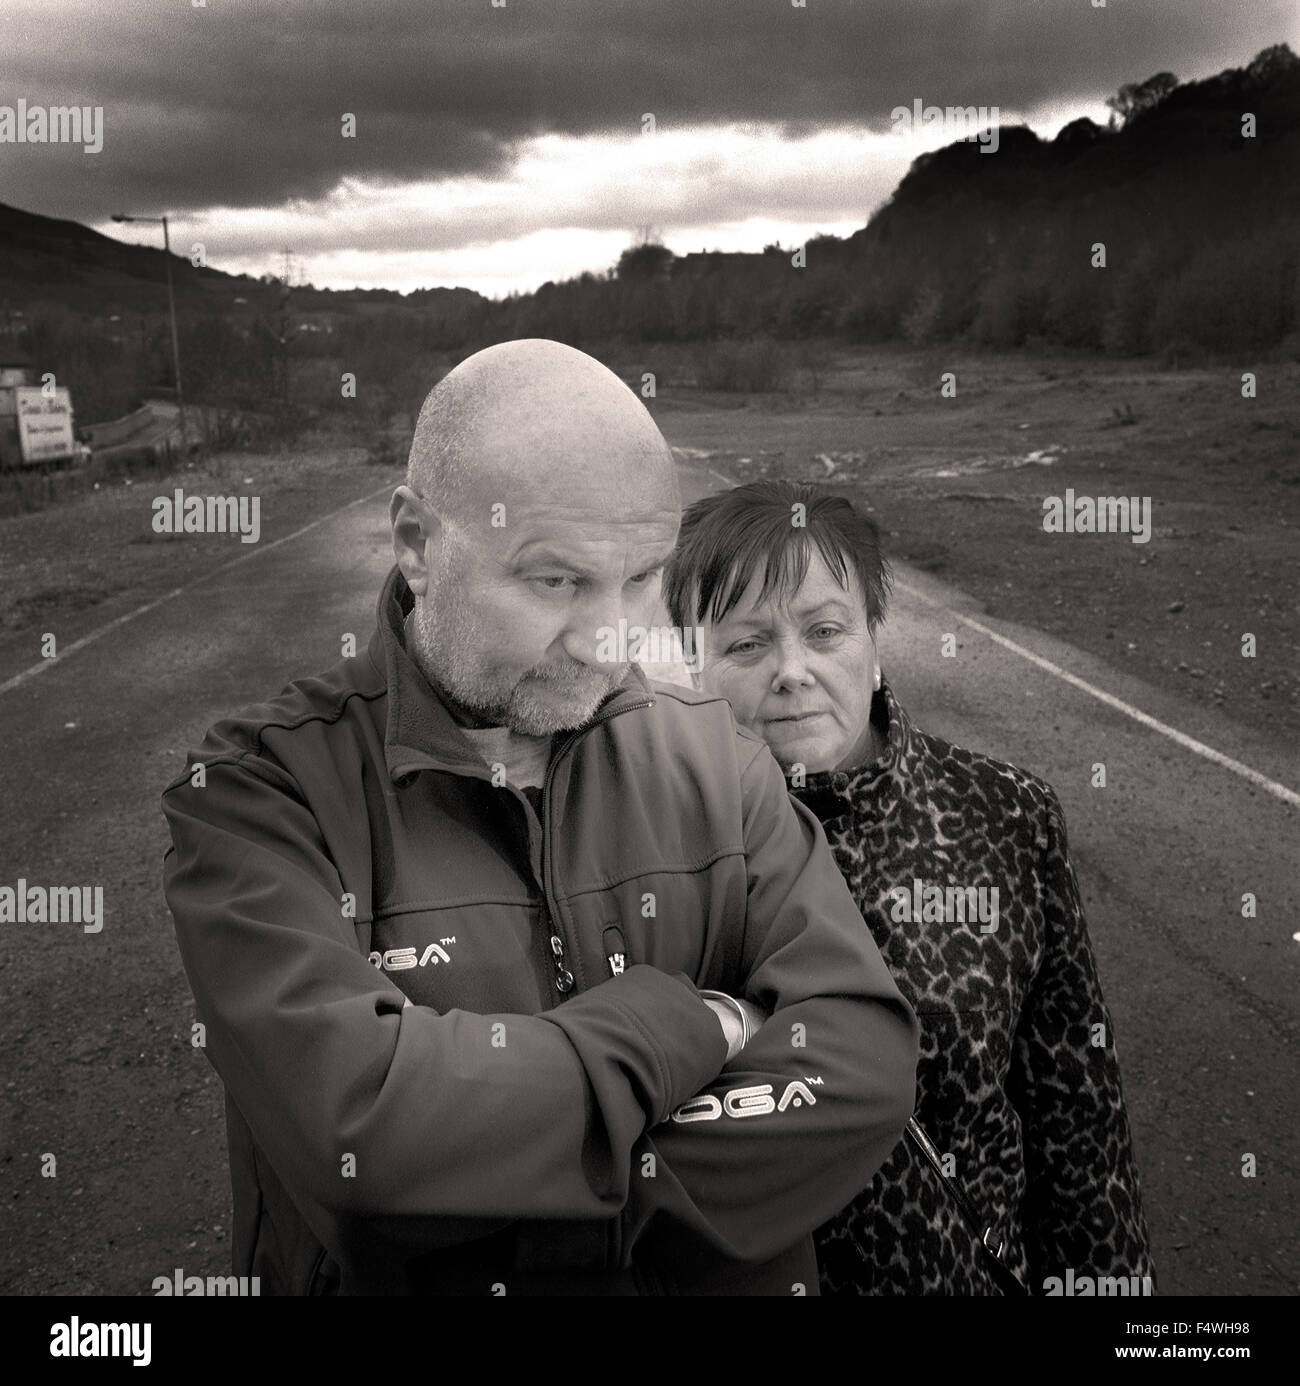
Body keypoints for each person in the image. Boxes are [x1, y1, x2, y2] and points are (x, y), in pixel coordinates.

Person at [160, 341, 918, 1296]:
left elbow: (858, 1063)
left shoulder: (716, 757)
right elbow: (363, 1137)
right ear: (417, 545)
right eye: (557, 581)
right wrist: (684, 1024)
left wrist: (515, 1220)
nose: (611, 640)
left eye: (642, 577)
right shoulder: (261, 796)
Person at [663, 478, 1154, 1295]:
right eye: (746, 644)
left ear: (874, 640)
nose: (792, 671)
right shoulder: (655, 843)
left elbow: (1079, 1119)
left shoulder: (1005, 816)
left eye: (825, 631)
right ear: (695, 665)